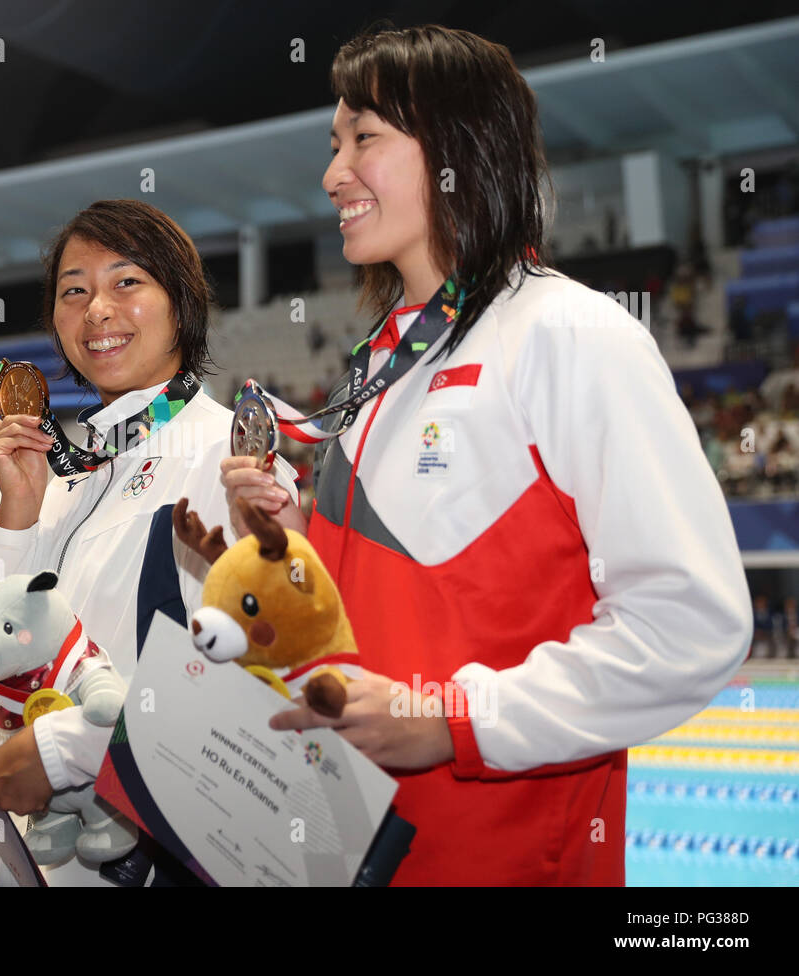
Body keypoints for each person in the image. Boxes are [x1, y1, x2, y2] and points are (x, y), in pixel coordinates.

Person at [224, 25, 751, 885]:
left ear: (455, 153)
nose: (331, 175)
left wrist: (451, 720)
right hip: (352, 848)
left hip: (502, 856)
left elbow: (693, 623)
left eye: (364, 139)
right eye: (333, 144)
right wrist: (293, 540)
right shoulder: (382, 363)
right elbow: (391, 619)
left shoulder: (569, 334)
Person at [0, 199, 300, 886]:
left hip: (167, 854)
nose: (96, 310)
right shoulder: (68, 473)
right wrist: (18, 513)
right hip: (40, 859)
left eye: (126, 283)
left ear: (181, 302)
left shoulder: (229, 460)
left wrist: (68, 747)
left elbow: (259, 684)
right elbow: (3, 660)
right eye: (74, 291)